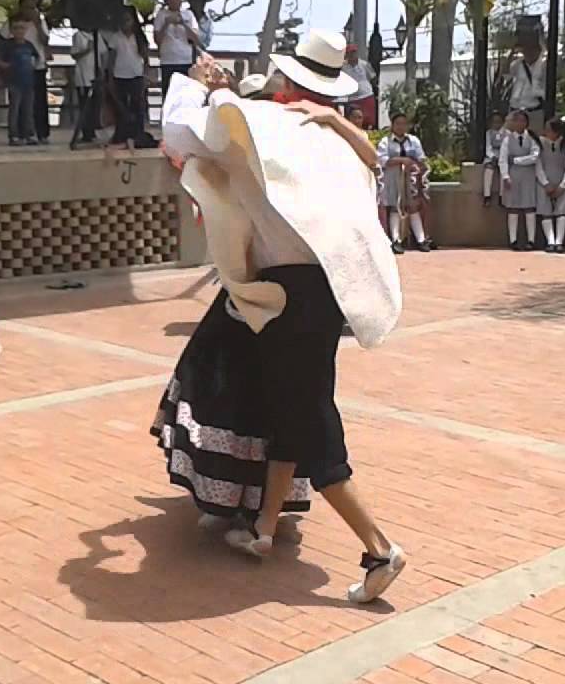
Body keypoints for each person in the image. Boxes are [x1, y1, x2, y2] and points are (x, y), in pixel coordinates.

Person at [162, 30, 406, 604]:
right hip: (328, 289)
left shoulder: (261, 126)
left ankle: (379, 548)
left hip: (286, 294)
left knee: (312, 421)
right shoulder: (332, 136)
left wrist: (201, 87)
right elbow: (377, 159)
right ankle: (265, 530)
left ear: (287, 78)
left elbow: (179, 130)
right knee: (293, 411)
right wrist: (337, 119)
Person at [378, 112, 432, 254]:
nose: (401, 127)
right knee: (395, 207)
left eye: (404, 124)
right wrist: (401, 161)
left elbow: (421, 158)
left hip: (411, 178)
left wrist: (414, 165)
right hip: (393, 178)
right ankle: (396, 240)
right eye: (398, 124)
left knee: (413, 206)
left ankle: (421, 240)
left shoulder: (413, 140)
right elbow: (381, 160)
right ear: (392, 125)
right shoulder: (386, 141)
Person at [3, 0, 52, 144]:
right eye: (27, 7)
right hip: (17, 67)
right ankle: (17, 133)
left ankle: (39, 132)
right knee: (17, 104)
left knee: (37, 102)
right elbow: (3, 40)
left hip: (36, 65)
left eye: (33, 8)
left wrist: (37, 24)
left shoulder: (39, 22)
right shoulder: (13, 23)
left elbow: (45, 40)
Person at [105, 7, 150, 150]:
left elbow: (145, 58)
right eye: (123, 21)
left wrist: (146, 75)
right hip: (120, 76)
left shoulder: (139, 37)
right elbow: (111, 59)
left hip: (136, 75)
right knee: (121, 107)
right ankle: (121, 135)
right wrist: (110, 77)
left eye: (128, 20)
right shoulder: (116, 37)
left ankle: (138, 135)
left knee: (138, 107)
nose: (126, 24)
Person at [499, 109, 544, 250]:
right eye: (516, 120)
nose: (519, 123)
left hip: (529, 175)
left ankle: (531, 240)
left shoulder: (532, 139)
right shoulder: (507, 140)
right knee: (513, 207)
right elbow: (503, 159)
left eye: (522, 120)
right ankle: (513, 240)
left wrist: (517, 160)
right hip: (513, 176)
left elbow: (534, 157)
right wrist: (505, 176)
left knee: (529, 206)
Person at [0, 17, 39, 146]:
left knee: (28, 109)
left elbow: (36, 58)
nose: (19, 31)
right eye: (16, 28)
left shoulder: (28, 45)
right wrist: (5, 67)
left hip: (28, 81)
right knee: (14, 109)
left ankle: (28, 134)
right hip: (14, 81)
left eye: (21, 28)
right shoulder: (8, 46)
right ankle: (13, 135)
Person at [537, 118, 565, 253]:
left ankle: (559, 241)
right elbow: (538, 165)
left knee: (562, 210)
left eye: (548, 130)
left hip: (561, 181)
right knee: (545, 210)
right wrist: (545, 183)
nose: (545, 132)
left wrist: (562, 186)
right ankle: (550, 241)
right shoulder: (540, 144)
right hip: (544, 182)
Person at [154, 0, 199, 96]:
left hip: (185, 62)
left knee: (186, 97)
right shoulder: (161, 15)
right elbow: (157, 39)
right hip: (168, 62)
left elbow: (195, 38)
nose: (173, 0)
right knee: (169, 96)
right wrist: (166, 24)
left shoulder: (188, 14)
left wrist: (183, 23)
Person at [507, 43, 547, 131]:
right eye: (526, 50)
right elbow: (505, 73)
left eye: (532, 50)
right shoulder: (518, 64)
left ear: (538, 51)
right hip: (516, 109)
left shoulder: (544, 65)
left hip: (534, 111)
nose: (528, 53)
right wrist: (511, 53)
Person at [71, 29, 101, 144]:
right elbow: (74, 54)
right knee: (84, 105)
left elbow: (102, 54)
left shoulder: (97, 36)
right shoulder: (78, 35)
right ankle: (85, 132)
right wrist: (87, 50)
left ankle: (92, 130)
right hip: (83, 76)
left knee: (95, 105)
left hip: (94, 76)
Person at [341, 44, 377, 129]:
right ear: (346, 55)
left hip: (366, 96)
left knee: (368, 121)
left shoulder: (364, 64)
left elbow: (373, 77)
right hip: (352, 99)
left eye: (354, 52)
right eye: (349, 53)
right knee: (353, 122)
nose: (352, 55)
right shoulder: (343, 67)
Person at [483, 111, 507, 206]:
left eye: (498, 122)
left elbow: (506, 147)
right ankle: (487, 196)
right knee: (488, 169)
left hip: (503, 156)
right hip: (492, 156)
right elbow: (488, 147)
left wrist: (501, 158)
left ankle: (502, 196)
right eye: (494, 122)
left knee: (503, 171)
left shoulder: (507, 133)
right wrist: (492, 156)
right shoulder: (489, 133)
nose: (496, 124)